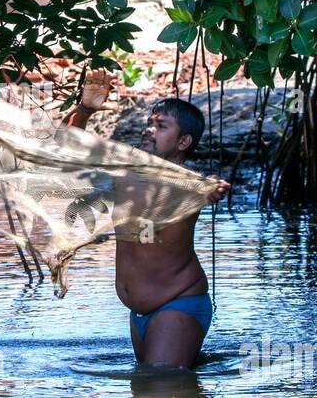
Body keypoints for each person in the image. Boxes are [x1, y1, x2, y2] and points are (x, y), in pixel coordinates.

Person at [63, 69, 229, 368]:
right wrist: (85, 109)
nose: (149, 130)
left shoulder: (187, 183)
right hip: (140, 313)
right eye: (149, 124)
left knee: (161, 388)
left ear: (183, 142)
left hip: (178, 304)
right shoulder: (124, 174)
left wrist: (213, 189)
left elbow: (205, 187)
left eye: (161, 126)